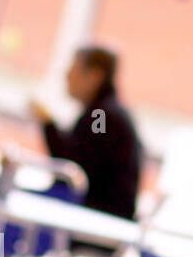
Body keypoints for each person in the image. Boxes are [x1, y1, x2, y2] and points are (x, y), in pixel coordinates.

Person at [31, 44, 142, 219]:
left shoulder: (102, 116)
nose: (67, 76)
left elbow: (75, 167)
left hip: (96, 217)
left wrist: (48, 124)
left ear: (94, 76)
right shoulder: (104, 111)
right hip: (94, 212)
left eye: (74, 69)